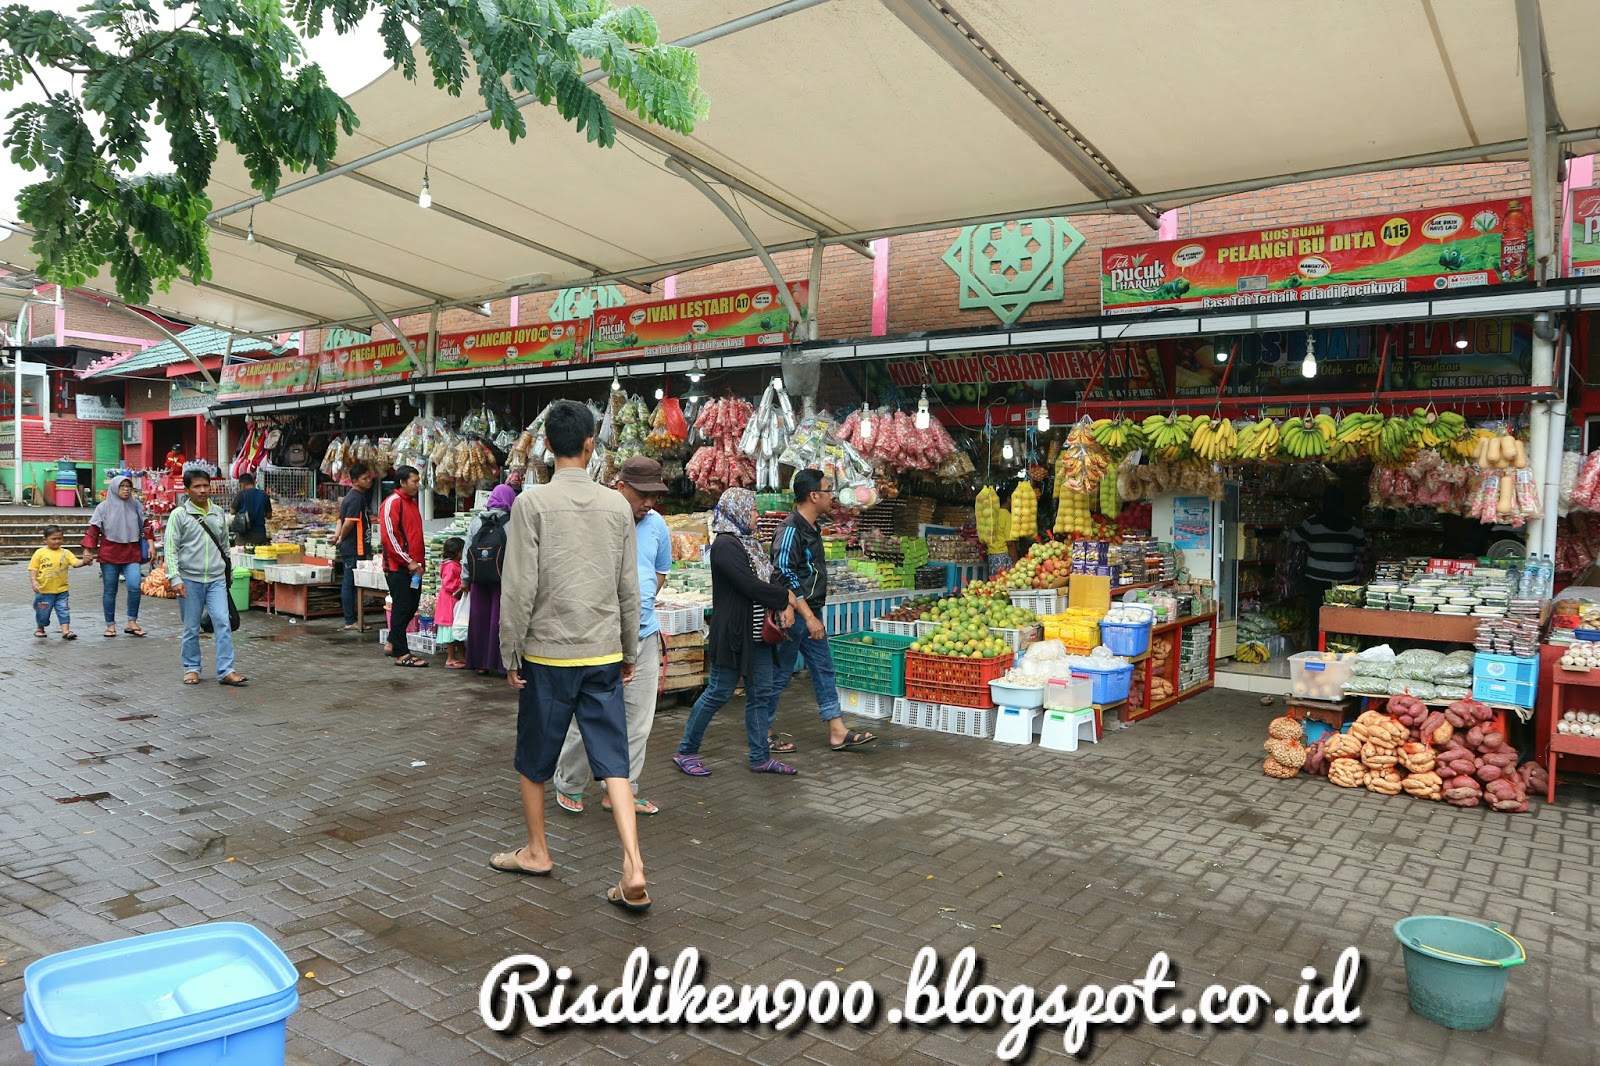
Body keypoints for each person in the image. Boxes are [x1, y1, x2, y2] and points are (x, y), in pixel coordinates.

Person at [492, 400, 648, 911]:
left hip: (548, 654)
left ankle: (537, 851)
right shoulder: (618, 506)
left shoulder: (530, 504)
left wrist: (509, 651)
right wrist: (629, 648)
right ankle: (633, 864)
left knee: (534, 758)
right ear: (589, 445)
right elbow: (631, 588)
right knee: (615, 761)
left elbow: (517, 587)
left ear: (547, 449)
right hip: (603, 650)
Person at [553, 457, 675, 815]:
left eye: (654, 496)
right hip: (598, 637)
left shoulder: (656, 525)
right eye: (642, 495)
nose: (649, 503)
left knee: (638, 720)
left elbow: (659, 573)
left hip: (644, 636)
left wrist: (639, 610)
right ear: (620, 486)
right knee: (588, 714)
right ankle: (569, 781)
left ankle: (621, 789)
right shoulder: (595, 517)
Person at [673, 488, 802, 777]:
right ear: (738, 512)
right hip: (734, 635)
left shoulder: (750, 544)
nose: (757, 515)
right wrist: (785, 599)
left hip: (760, 637)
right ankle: (686, 751)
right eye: (753, 510)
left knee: (761, 694)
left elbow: (771, 577)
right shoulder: (725, 546)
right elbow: (748, 585)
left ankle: (760, 757)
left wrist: (786, 597)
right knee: (719, 692)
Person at [767, 468, 876, 752]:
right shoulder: (791, 529)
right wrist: (808, 615)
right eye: (828, 490)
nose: (832, 496)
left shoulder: (811, 527)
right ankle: (763, 731)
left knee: (824, 669)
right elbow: (784, 573)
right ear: (814, 495)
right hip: (796, 616)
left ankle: (837, 730)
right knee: (779, 675)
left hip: (810, 612)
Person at [165, 469, 248, 686]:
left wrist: (228, 572)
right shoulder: (179, 515)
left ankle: (226, 670)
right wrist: (174, 578)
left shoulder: (218, 513)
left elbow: (224, 546)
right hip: (189, 580)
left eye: (205, 486)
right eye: (197, 486)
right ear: (187, 490)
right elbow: (170, 549)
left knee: (222, 621)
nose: (202, 490)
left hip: (216, 579)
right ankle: (191, 667)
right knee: (191, 627)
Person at [1289, 485, 1368, 627]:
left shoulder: (1312, 523)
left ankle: (1316, 647)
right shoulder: (1354, 525)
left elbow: (1294, 537)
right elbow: (1361, 549)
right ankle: (1339, 646)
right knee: (1342, 618)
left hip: (1317, 580)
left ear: (1323, 502)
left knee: (1317, 617)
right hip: (1345, 581)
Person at [459, 483, 515, 675]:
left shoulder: (476, 521)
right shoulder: (512, 522)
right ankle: (499, 663)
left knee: (478, 618)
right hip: (503, 580)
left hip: (478, 578)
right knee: (499, 619)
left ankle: (479, 662)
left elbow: (467, 551)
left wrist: (465, 579)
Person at [84, 475, 149, 637]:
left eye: (128, 486)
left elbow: (146, 526)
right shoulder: (103, 507)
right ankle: (110, 625)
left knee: (135, 586)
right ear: (114, 488)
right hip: (110, 553)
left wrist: (151, 545)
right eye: (122, 486)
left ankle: (131, 621)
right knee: (110, 590)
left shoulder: (136, 505)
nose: (126, 489)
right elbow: (94, 530)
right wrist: (88, 550)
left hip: (132, 551)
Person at [380, 465, 427, 668]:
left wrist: (418, 564)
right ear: (402, 482)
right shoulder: (393, 503)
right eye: (414, 481)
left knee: (411, 606)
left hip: (414, 568)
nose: (417, 485)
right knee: (401, 608)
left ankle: (392, 642)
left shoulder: (412, 503)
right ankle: (402, 653)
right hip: (398, 568)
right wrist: (408, 561)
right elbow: (390, 538)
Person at [336, 462, 376, 630]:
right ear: (355, 480)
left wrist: (337, 537)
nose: (369, 481)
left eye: (369, 478)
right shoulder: (356, 498)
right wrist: (341, 538)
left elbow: (340, 520)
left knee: (350, 583)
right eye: (365, 478)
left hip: (352, 546)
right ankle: (350, 620)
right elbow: (347, 524)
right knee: (350, 583)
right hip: (354, 548)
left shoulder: (352, 497)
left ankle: (351, 619)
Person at [30, 524, 88, 639]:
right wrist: (34, 581)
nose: (57, 541)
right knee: (43, 613)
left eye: (59, 538)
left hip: (62, 590)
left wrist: (84, 561)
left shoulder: (66, 553)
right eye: (53, 539)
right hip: (44, 591)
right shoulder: (39, 553)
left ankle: (65, 631)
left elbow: (75, 563)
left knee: (63, 610)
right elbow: (33, 568)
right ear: (45, 539)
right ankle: (40, 628)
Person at [438, 536, 466, 669]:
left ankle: (461, 656)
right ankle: (450, 658)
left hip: (453, 602)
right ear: (457, 552)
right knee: (451, 633)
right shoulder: (451, 566)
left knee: (457, 633)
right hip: (450, 603)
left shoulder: (452, 565)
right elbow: (448, 584)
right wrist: (462, 584)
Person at [229, 472, 272, 547]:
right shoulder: (264, 495)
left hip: (244, 533)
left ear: (242, 484)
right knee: (260, 555)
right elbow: (269, 515)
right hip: (260, 533)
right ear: (253, 482)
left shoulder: (241, 494)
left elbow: (232, 512)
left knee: (242, 556)